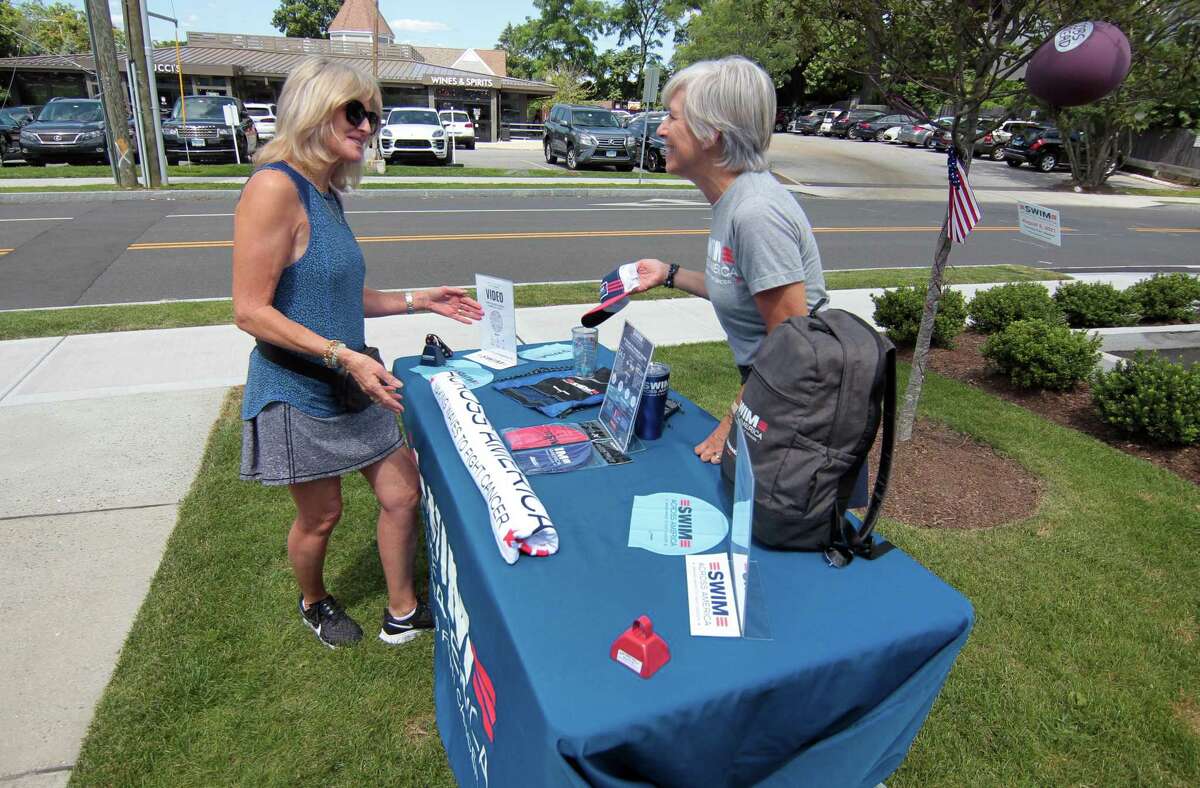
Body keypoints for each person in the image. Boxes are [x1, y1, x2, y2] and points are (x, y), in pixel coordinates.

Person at [233, 57, 483, 649]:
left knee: (402, 493)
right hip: (297, 388)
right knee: (321, 517)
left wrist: (421, 300)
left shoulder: (326, 196)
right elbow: (249, 310)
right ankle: (314, 600)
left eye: (372, 114)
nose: (367, 125)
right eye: (354, 111)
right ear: (314, 107)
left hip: (352, 376)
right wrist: (342, 355)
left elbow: (338, 297)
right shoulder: (274, 187)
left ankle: (402, 610)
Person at [630, 56, 827, 463]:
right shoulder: (731, 201)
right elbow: (738, 286)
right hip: (769, 389)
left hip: (794, 404)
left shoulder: (755, 212)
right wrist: (669, 274)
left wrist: (731, 426)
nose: (662, 129)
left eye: (672, 118)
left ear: (710, 134)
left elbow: (790, 343)